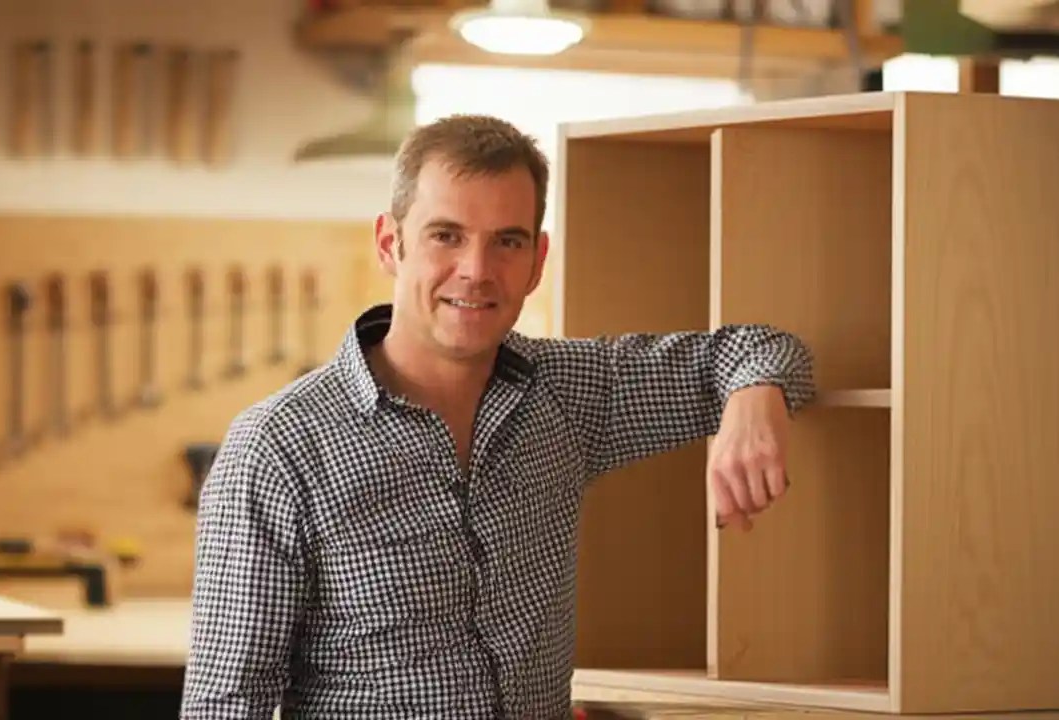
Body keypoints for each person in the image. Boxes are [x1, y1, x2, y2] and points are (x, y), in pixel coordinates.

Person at [180, 115, 815, 719]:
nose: (477, 271)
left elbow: (766, 348)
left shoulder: (568, 392)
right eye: (446, 235)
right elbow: (225, 704)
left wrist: (752, 407)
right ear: (389, 243)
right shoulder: (278, 445)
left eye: (506, 242)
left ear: (538, 261)